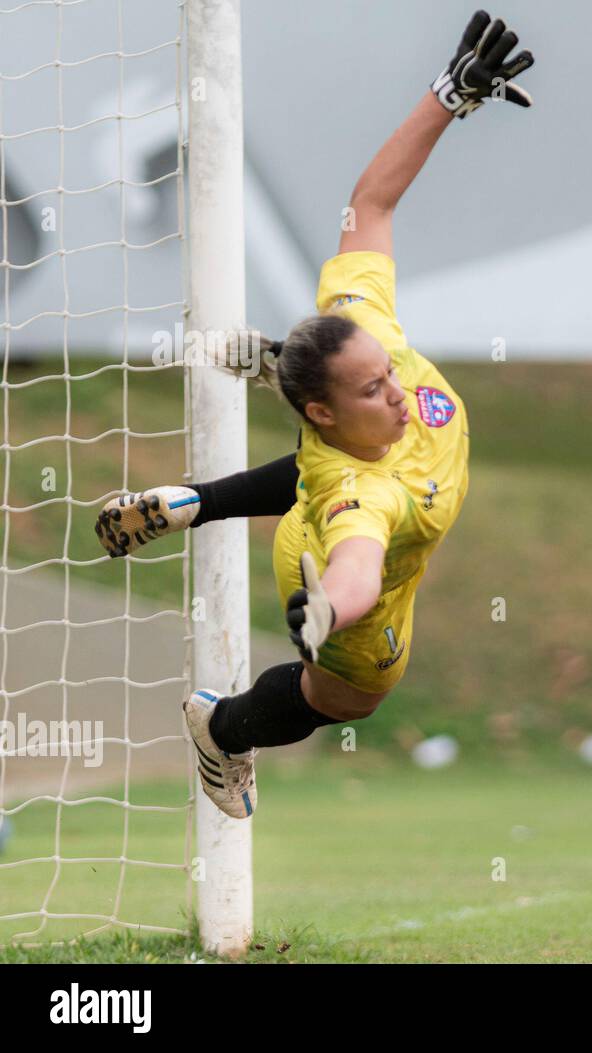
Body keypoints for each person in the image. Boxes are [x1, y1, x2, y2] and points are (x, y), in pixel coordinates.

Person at [94, 11, 535, 819]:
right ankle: (221, 728)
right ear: (329, 411)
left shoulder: (365, 326)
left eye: (383, 373)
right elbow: (360, 564)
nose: (398, 389)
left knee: (331, 426)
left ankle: (217, 474)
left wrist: (448, 93)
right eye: (373, 390)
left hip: (321, 476)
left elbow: (371, 201)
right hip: (335, 553)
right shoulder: (366, 501)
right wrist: (327, 607)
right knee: (349, 696)